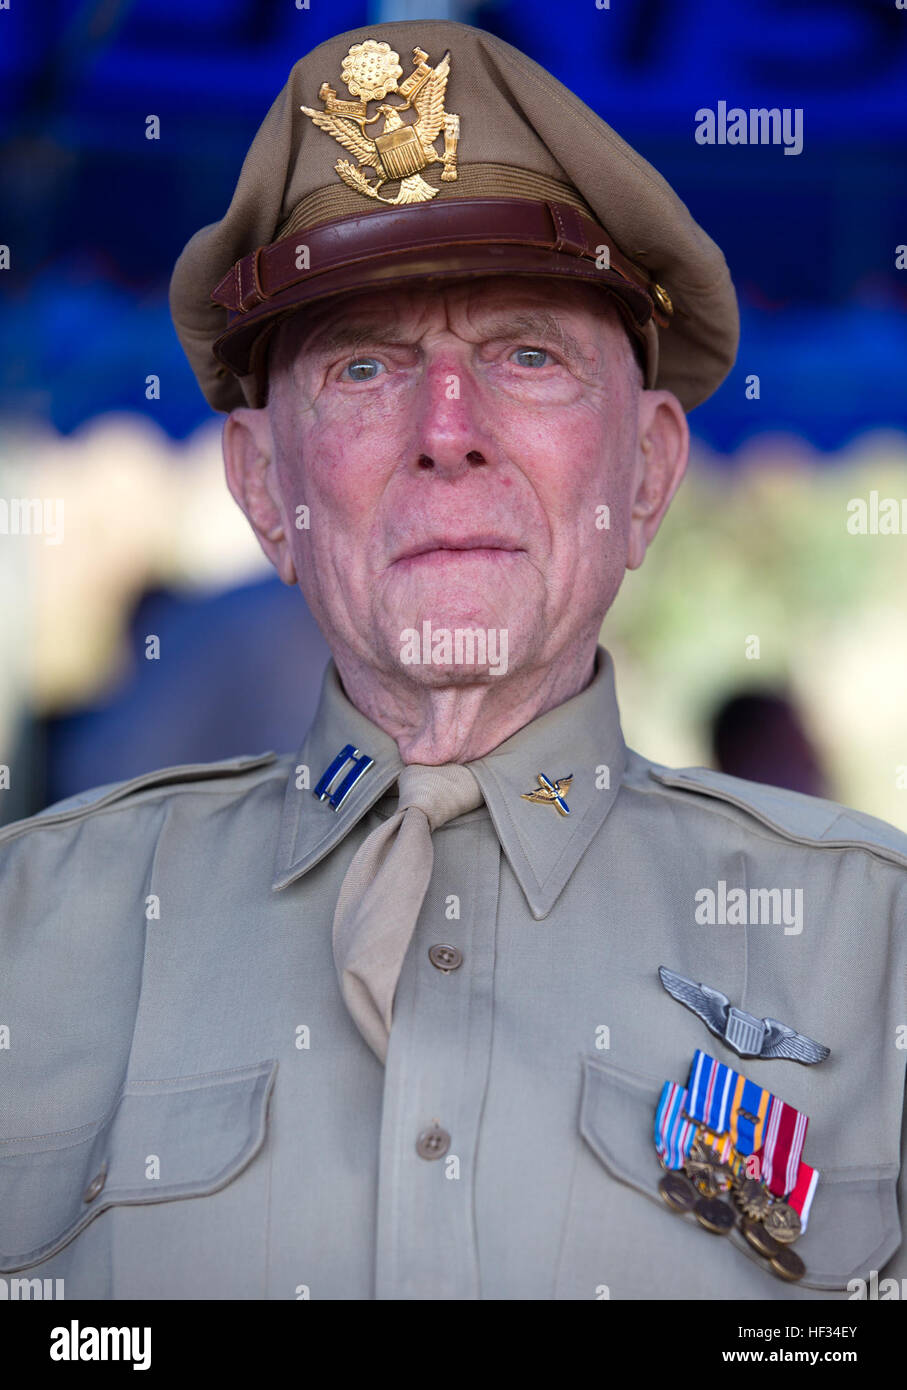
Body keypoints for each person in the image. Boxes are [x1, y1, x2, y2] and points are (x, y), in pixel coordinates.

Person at [0, 20, 903, 1302]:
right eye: (365, 365)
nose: (446, 432)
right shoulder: (26, 933)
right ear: (266, 487)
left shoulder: (876, 948)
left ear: (644, 473)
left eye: (526, 353)